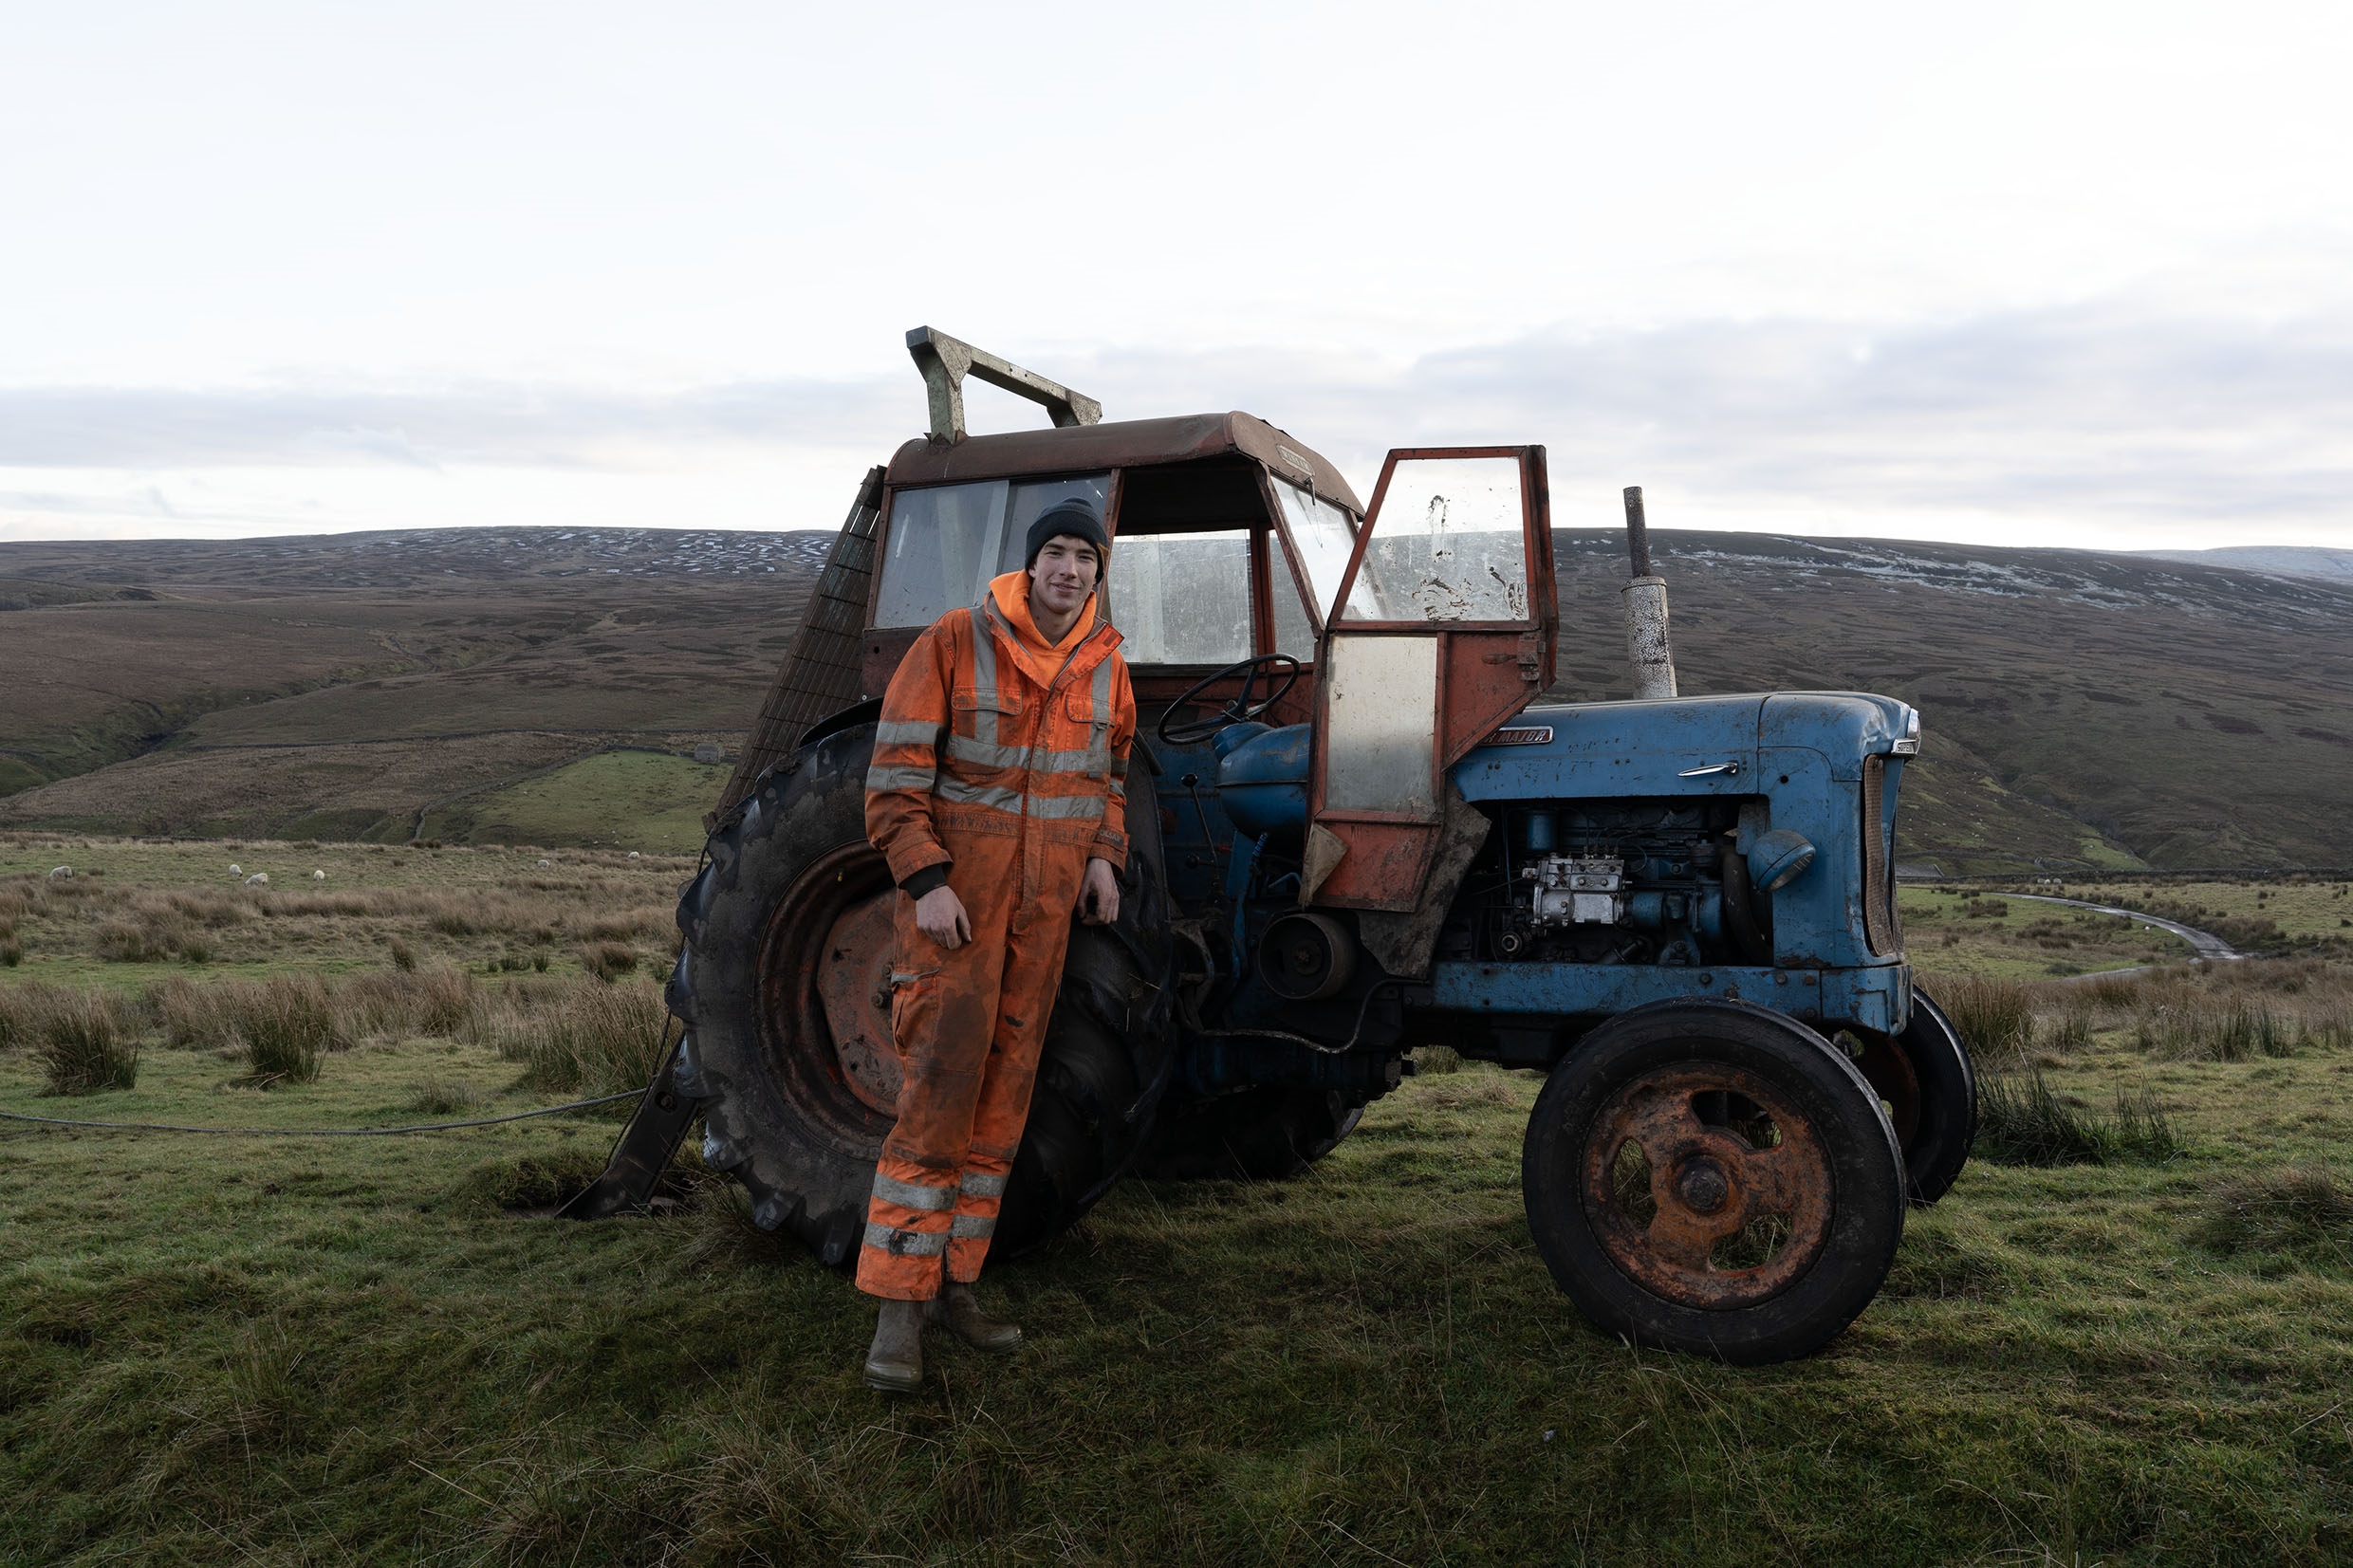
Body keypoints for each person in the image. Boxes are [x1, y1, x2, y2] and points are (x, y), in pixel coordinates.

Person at [856, 498, 1134, 1393]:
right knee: (938, 1094)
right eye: (1055, 552)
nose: (1069, 570)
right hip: (959, 912)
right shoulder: (953, 640)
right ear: (1031, 562)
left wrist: (1103, 856)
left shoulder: (1107, 666)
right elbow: (894, 779)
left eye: (1084, 558)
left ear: (1098, 571)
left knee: (1005, 1104)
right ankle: (898, 1310)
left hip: (1044, 916)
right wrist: (926, 881)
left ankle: (955, 1287)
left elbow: (1111, 777)